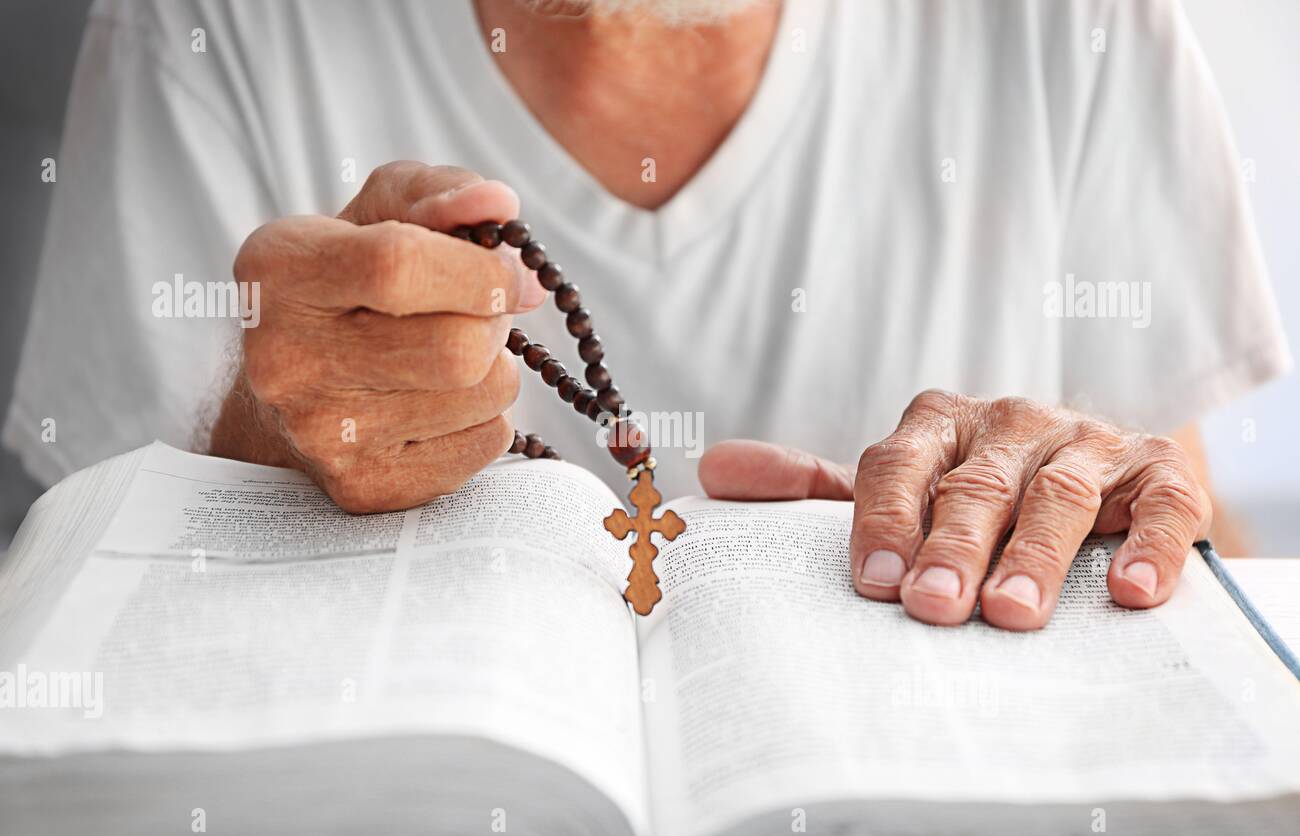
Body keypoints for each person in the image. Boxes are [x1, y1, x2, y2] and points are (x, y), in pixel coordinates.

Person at [3, 0, 1289, 630]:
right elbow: (94, 649)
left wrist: (1074, 499)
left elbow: (1177, 532)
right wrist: (270, 442)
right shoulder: (211, 24)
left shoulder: (1075, 24)